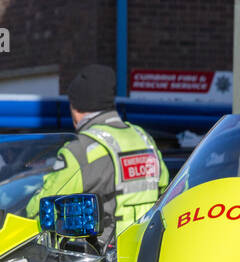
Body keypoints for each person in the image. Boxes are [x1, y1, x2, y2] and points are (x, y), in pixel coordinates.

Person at [26, 64, 168, 244]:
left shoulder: (80, 150)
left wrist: (21, 212)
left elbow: (41, 208)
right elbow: (165, 190)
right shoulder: (142, 137)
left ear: (75, 107)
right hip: (148, 249)